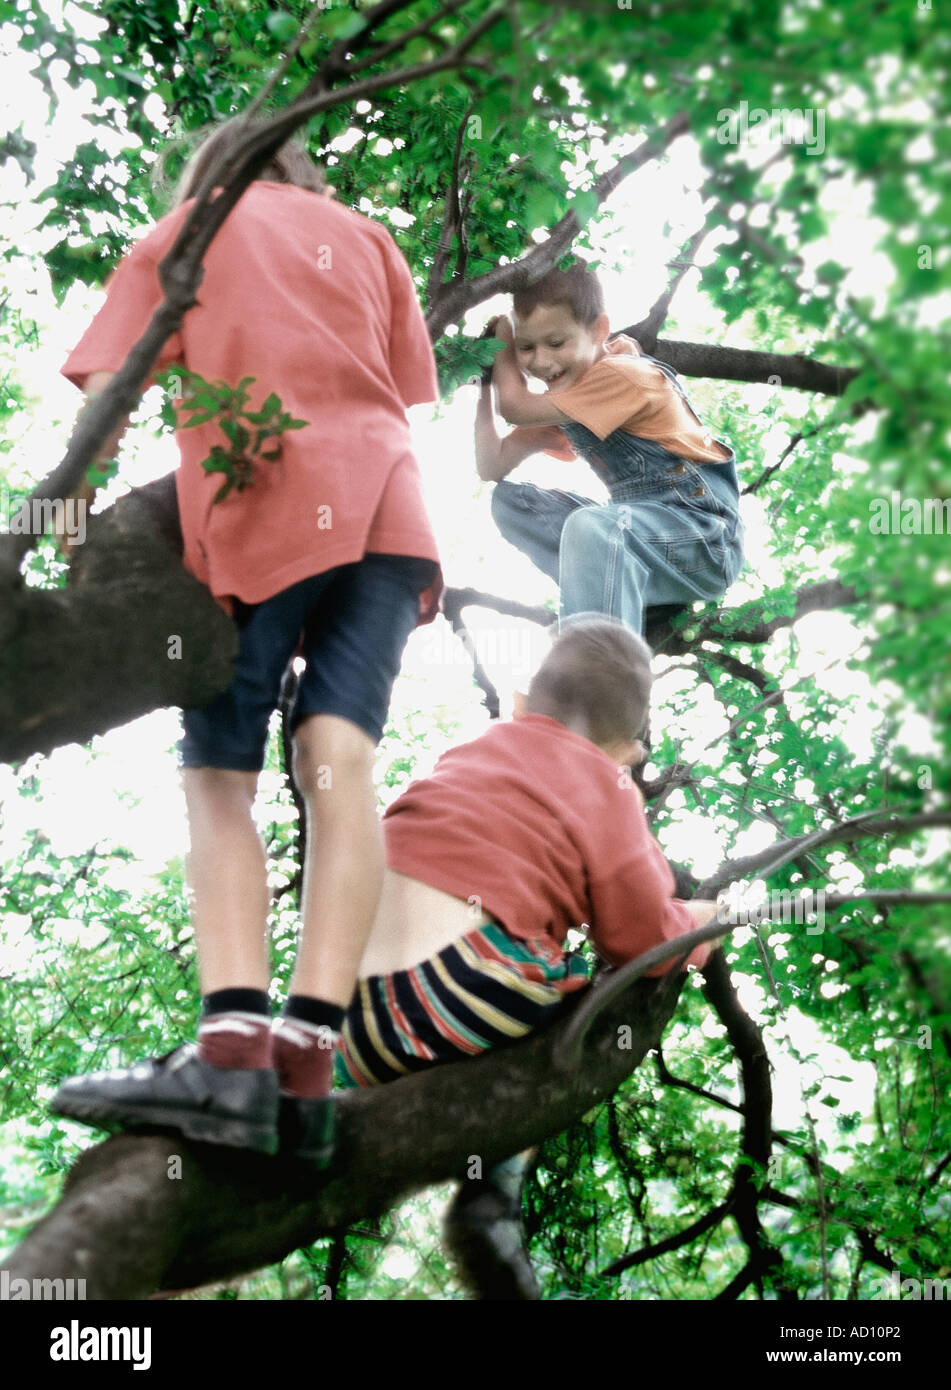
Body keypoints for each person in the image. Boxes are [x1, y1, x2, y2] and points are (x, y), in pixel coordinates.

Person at [49, 117, 442, 1167]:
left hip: (265, 509)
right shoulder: (369, 242)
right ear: (297, 170)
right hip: (392, 518)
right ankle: (307, 1066)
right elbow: (402, 395)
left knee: (220, 776)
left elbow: (108, 396)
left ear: (207, 178)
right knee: (339, 762)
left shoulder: (186, 231)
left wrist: (57, 532)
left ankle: (230, 1055)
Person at [333, 616, 717, 1287]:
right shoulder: (607, 786)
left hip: (346, 1019)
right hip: (462, 988)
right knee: (580, 1004)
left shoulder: (474, 749)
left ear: (517, 704)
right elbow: (643, 939)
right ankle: (491, 1199)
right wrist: (702, 923)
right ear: (625, 749)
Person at [474, 261, 745, 635]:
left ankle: (594, 662)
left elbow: (515, 407)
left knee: (592, 527)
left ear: (599, 330)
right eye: (526, 348)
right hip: (640, 539)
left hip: (703, 542)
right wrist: (484, 381)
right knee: (509, 503)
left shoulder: (621, 374)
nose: (541, 361)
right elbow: (491, 465)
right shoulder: (567, 404)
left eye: (556, 342)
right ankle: (623, 601)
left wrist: (503, 343)